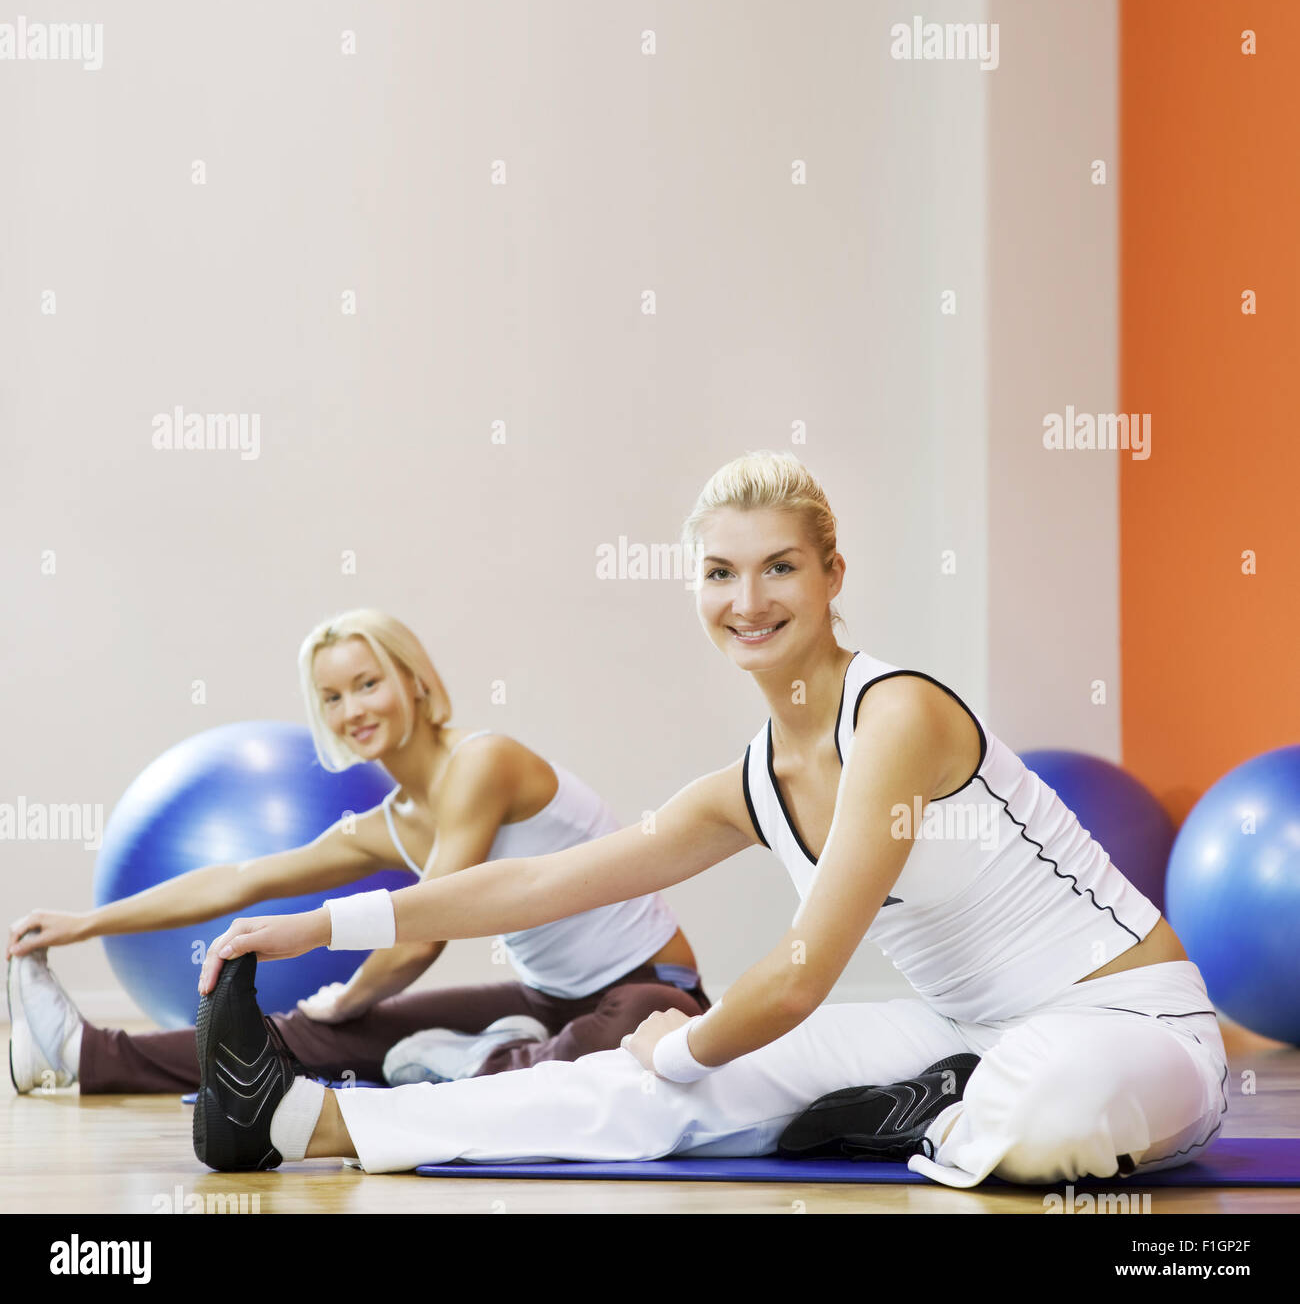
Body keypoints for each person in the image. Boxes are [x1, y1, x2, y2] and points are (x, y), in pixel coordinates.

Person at [191, 455, 1227, 1189]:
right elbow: (540, 882)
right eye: (720, 571)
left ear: (832, 576)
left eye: (779, 565)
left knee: (1044, 1107)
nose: (748, 598)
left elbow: (799, 974)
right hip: (958, 1032)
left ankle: (938, 1112)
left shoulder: (899, 711)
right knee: (637, 1084)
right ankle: (306, 1117)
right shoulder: (749, 781)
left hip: (1122, 1025)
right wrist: (322, 925)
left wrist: (682, 1047)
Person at [6, 609, 708, 1096]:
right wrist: (85, 923)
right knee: (306, 1034)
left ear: (415, 680)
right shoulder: (385, 824)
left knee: (621, 1045)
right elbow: (239, 879)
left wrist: (348, 998)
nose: (353, 710)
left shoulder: (484, 762)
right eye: (333, 697)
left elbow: (424, 931)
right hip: (547, 1000)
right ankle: (82, 1055)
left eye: (368, 683)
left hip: (652, 987)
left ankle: (484, 1061)